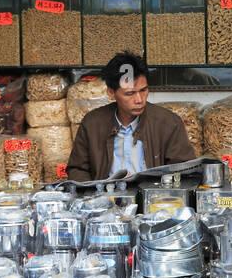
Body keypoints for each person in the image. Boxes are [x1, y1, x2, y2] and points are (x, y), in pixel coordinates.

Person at [65, 52, 197, 182]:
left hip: (154, 200)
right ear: (111, 93)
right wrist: (93, 196)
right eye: (130, 93)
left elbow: (184, 171)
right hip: (105, 199)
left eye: (143, 90)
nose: (139, 99)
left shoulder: (168, 123)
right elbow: (77, 170)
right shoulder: (92, 124)